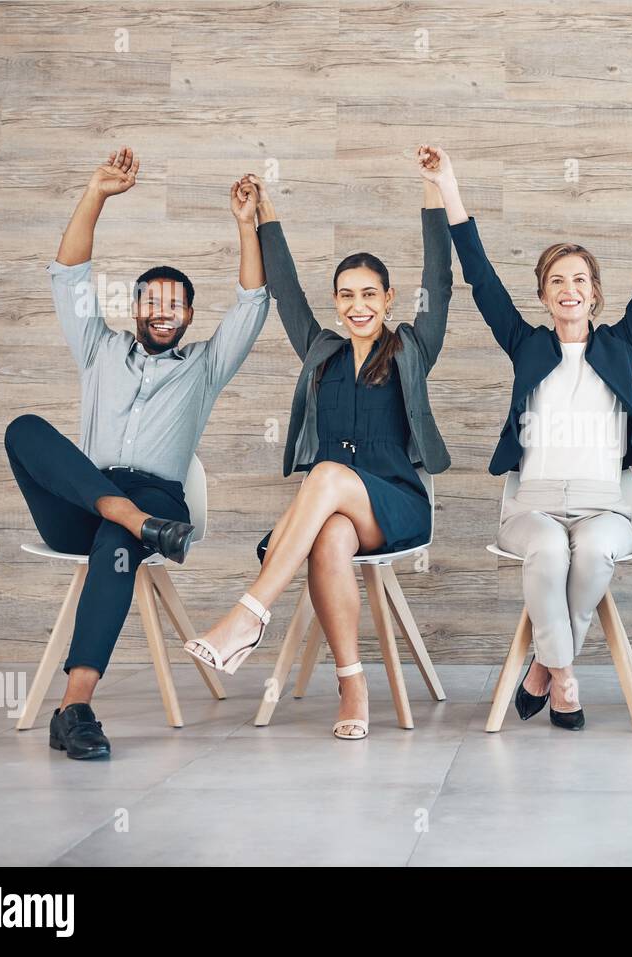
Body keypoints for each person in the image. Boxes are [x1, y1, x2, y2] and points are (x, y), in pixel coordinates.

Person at [430, 135, 632, 729]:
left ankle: (542, 669)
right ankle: (564, 676)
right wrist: (449, 187)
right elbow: (479, 277)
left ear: (594, 292)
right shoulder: (526, 344)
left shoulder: (621, 343)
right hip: (531, 506)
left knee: (596, 550)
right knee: (552, 549)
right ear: (543, 295)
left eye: (580, 279)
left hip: (604, 505)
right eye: (557, 280)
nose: (569, 289)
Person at [4, 147, 270, 759]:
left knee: (118, 545)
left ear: (188, 315)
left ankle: (74, 709)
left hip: (156, 498)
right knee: (23, 426)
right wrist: (95, 193)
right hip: (84, 498)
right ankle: (134, 523)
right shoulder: (99, 348)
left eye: (174, 304)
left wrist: (245, 225)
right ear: (135, 309)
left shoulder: (204, 366)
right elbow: (66, 273)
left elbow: (253, 305)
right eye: (151, 301)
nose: (162, 311)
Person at [185, 149, 454, 741]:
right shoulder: (320, 352)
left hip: (397, 505)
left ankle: (248, 616)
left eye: (368, 295)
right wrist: (259, 214)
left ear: (387, 299)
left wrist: (436, 189)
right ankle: (352, 683)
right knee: (329, 535)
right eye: (345, 295)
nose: (356, 306)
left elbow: (440, 277)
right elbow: (283, 288)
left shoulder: (412, 348)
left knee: (326, 474)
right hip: (337, 512)